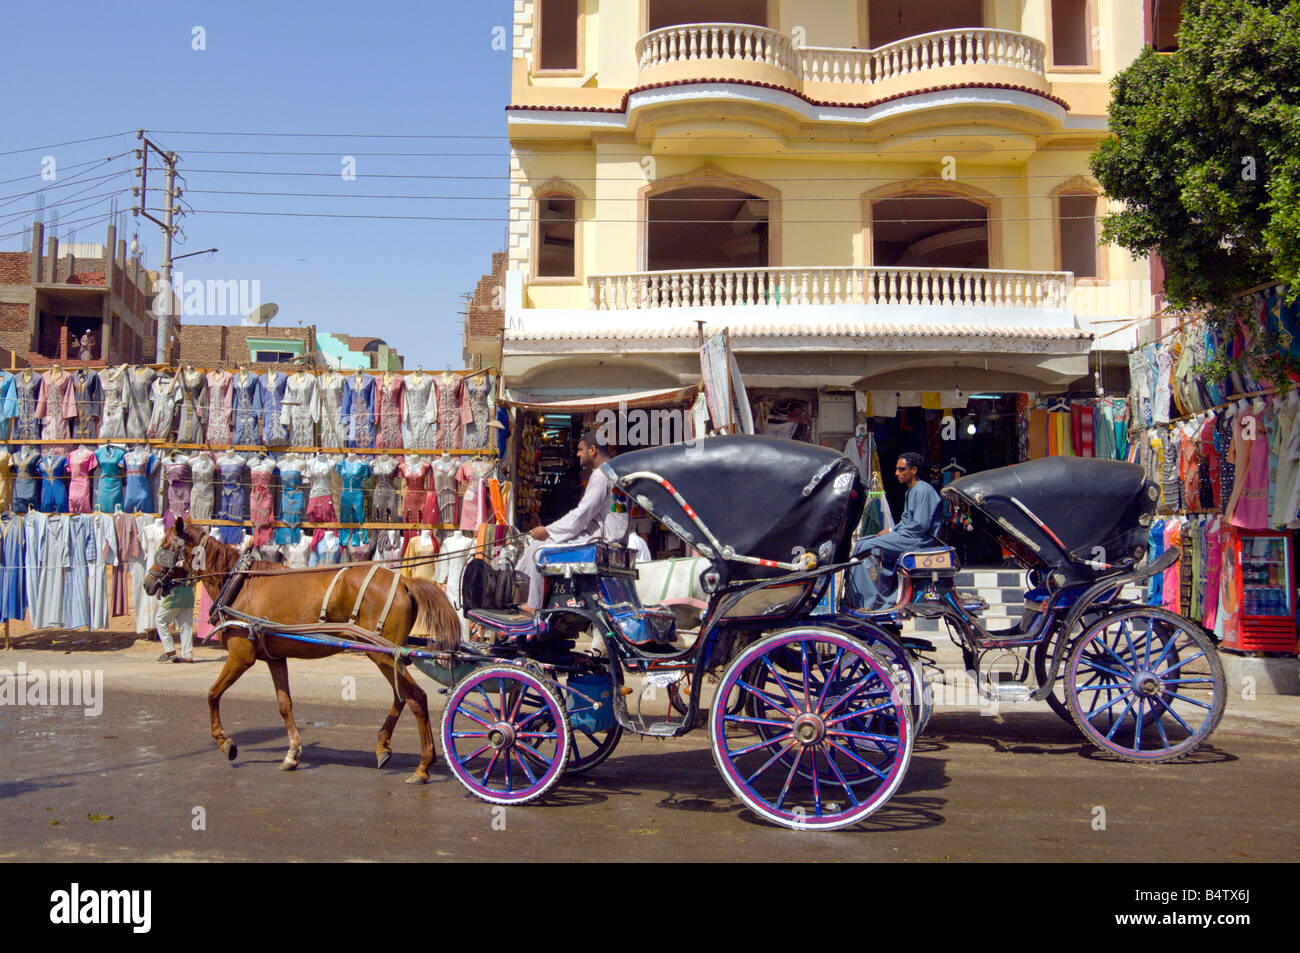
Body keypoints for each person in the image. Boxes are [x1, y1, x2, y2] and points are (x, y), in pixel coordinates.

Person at [516, 430, 628, 612]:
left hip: (602, 541)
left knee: (538, 549)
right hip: (612, 538)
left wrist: (548, 531)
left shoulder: (601, 475)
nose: (577, 454)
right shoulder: (615, 472)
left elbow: (581, 515)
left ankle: (533, 605)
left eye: (580, 449)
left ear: (592, 450)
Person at [846, 451, 944, 610]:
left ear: (913, 470)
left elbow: (919, 526)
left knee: (867, 547)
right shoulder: (910, 491)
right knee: (860, 543)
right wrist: (892, 530)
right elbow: (906, 521)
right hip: (908, 535)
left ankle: (868, 602)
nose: (896, 473)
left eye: (901, 469)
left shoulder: (923, 490)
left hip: (919, 540)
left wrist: (894, 533)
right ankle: (860, 598)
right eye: (897, 469)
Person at [156, 581, 196, 663]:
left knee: (160, 619)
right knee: (186, 626)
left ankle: (170, 651)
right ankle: (187, 655)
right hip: (189, 593)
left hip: (176, 593)